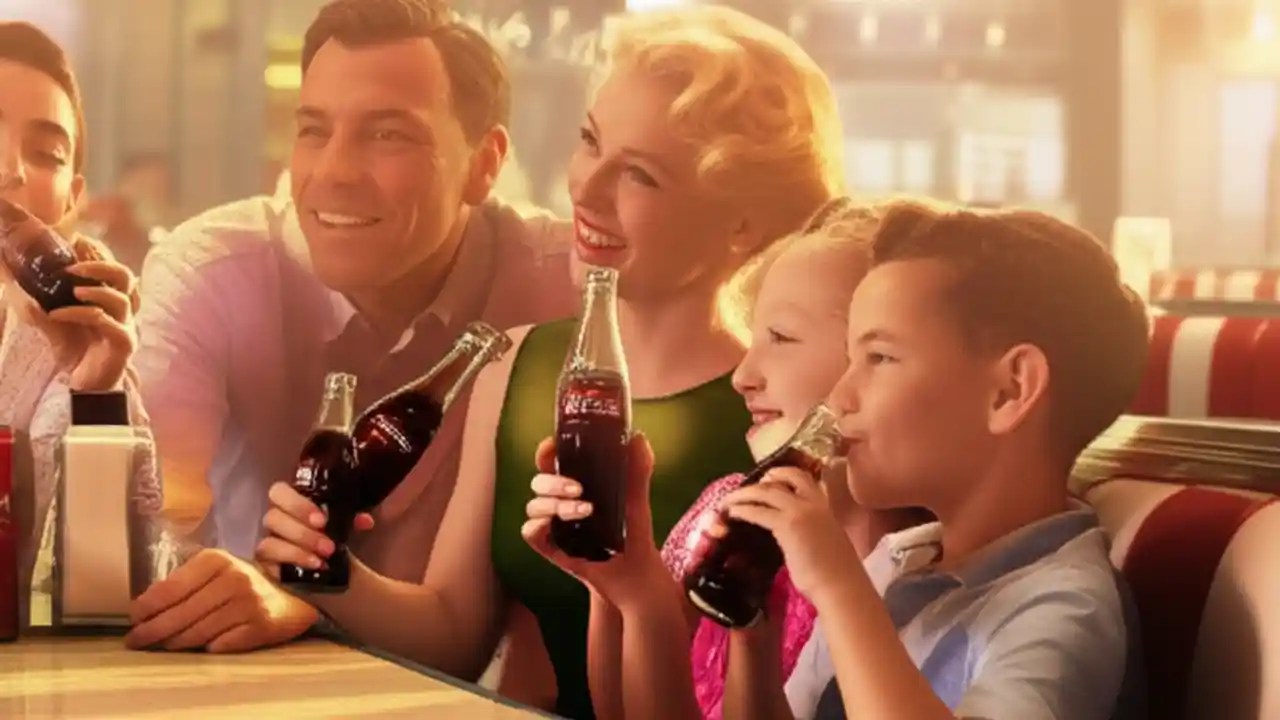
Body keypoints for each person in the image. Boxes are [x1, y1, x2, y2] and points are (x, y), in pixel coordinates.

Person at [250, 7, 846, 718]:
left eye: (641, 176)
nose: (586, 190)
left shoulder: (783, 416)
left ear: (742, 221)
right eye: (590, 142)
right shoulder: (517, 363)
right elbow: (455, 635)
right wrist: (331, 572)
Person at [534, 201, 1151, 719]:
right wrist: (752, 629)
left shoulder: (1064, 609)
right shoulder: (902, 563)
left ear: (1008, 391)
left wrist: (839, 588)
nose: (841, 397)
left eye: (879, 359)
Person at [126, 0, 578, 654]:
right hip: (242, 678)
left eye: (386, 134)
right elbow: (161, 508)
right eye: (312, 130)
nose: (333, 171)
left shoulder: (562, 284)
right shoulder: (215, 272)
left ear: (484, 163)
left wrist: (308, 602)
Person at [524, 199, 934, 719]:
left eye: (781, 338)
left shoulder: (903, 585)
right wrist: (611, 582)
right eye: (751, 338)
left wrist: (644, 601)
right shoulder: (728, 507)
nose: (743, 376)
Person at [0, 21, 158, 624]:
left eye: (47, 154)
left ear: (70, 202)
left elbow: (104, 601)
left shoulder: (79, 354)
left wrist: (93, 390)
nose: (11, 169)